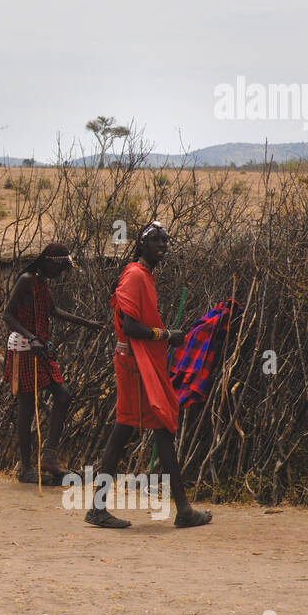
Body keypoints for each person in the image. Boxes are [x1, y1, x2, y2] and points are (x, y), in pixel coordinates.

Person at [86, 221, 212, 529]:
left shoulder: (144, 276)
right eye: (156, 241)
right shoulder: (134, 276)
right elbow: (130, 327)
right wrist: (166, 334)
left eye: (165, 242)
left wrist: (164, 337)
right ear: (141, 245)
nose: (162, 246)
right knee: (155, 427)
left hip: (138, 362)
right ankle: (182, 510)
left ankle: (100, 507)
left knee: (134, 429)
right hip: (133, 364)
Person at [2, 243, 106, 484]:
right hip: (23, 347)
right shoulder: (26, 279)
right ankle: (26, 469)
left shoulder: (41, 282)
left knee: (63, 395)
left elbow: (51, 309)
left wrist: (86, 323)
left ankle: (48, 457)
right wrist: (31, 338)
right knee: (27, 406)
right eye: (60, 267)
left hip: (39, 347)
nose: (61, 273)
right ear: (49, 262)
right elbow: (7, 315)